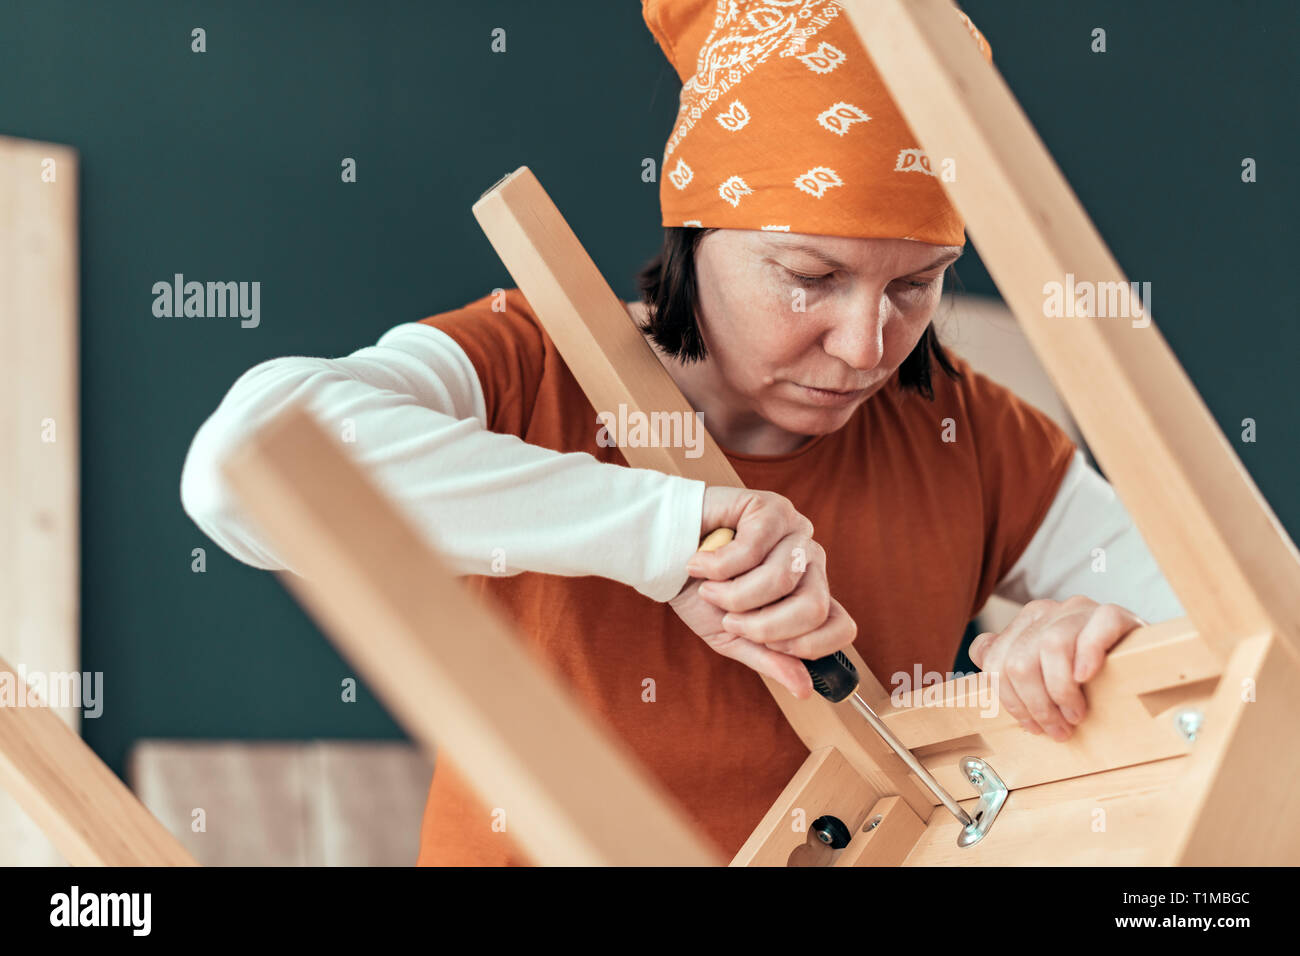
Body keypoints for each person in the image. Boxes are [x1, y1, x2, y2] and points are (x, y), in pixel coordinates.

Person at [180, 0, 1182, 865]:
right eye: (810, 276)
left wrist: (1102, 635)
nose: (865, 341)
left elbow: (1250, 634)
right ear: (695, 238)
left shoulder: (973, 433)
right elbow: (240, 468)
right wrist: (671, 532)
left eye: (914, 285)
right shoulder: (531, 363)